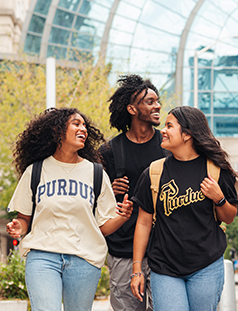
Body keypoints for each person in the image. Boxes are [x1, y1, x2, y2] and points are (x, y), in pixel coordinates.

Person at [5, 107, 133, 311]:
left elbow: (102, 227)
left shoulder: (96, 173)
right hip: (42, 255)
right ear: (58, 131)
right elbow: (24, 218)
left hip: (84, 259)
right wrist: (18, 227)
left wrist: (123, 217)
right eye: (76, 123)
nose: (83, 128)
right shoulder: (36, 171)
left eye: (84, 125)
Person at [130, 106, 238, 311]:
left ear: (187, 134)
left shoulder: (215, 170)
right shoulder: (154, 172)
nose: (163, 130)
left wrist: (219, 198)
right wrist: (137, 269)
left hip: (206, 266)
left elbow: (229, 216)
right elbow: (144, 223)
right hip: (165, 268)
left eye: (169, 126)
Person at [98, 74, 168, 311]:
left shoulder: (168, 147)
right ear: (132, 109)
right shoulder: (109, 150)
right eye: (149, 101)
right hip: (123, 251)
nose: (157, 106)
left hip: (163, 249)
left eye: (157, 101)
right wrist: (110, 187)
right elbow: (94, 199)